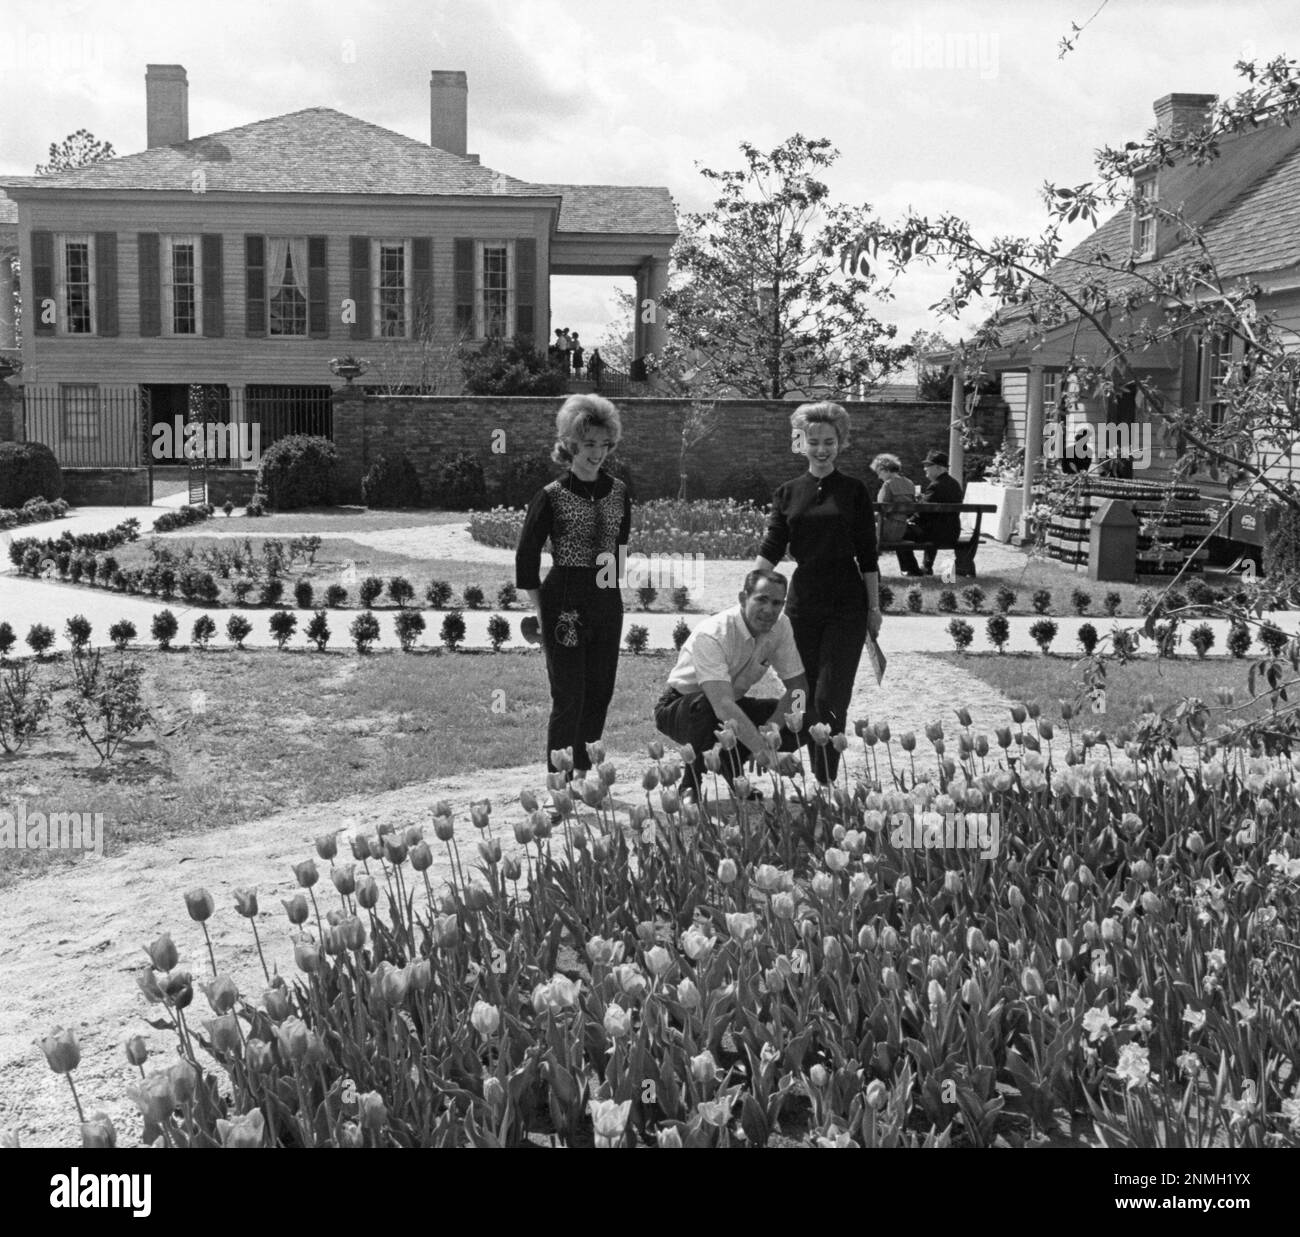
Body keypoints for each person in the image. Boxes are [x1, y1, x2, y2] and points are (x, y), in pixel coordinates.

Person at [753, 402, 882, 784]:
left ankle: (825, 780)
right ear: (802, 443)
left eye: (829, 441)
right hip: (802, 604)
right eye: (814, 442)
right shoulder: (788, 492)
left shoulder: (855, 491)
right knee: (801, 693)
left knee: (831, 696)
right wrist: (750, 596)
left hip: (847, 604)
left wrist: (874, 607)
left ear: (840, 442)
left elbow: (869, 556)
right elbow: (772, 548)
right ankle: (798, 768)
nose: (821, 449)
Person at [515, 394, 631, 777]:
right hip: (563, 598)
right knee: (569, 695)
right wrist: (538, 609)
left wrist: (612, 596)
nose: (596, 453)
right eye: (588, 445)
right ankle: (558, 779)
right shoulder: (550, 496)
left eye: (603, 444)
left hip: (605, 597)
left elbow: (619, 548)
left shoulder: (619, 493)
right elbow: (526, 557)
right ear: (570, 445)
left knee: (601, 690)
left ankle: (583, 773)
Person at [655, 569, 808, 796]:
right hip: (682, 707)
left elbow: (799, 688)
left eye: (777, 603)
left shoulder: (781, 626)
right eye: (761, 600)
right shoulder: (713, 633)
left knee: (806, 713)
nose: (769, 610)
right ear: (743, 598)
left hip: (730, 706)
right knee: (708, 708)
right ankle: (689, 786)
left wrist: (771, 732)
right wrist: (766, 754)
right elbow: (722, 704)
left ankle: (736, 770)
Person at [894, 450, 964, 577]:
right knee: (931, 526)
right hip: (952, 532)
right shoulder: (954, 484)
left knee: (898, 532)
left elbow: (922, 512)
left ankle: (911, 569)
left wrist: (909, 519)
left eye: (928, 466)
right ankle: (926, 566)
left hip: (935, 533)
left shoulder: (935, 486)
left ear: (938, 467)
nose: (924, 469)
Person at [871, 453, 917, 575]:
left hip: (887, 531)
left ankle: (872, 571)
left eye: (878, 473)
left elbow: (881, 509)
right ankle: (911, 568)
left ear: (884, 469)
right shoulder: (909, 483)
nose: (879, 477)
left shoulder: (887, 485)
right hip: (902, 529)